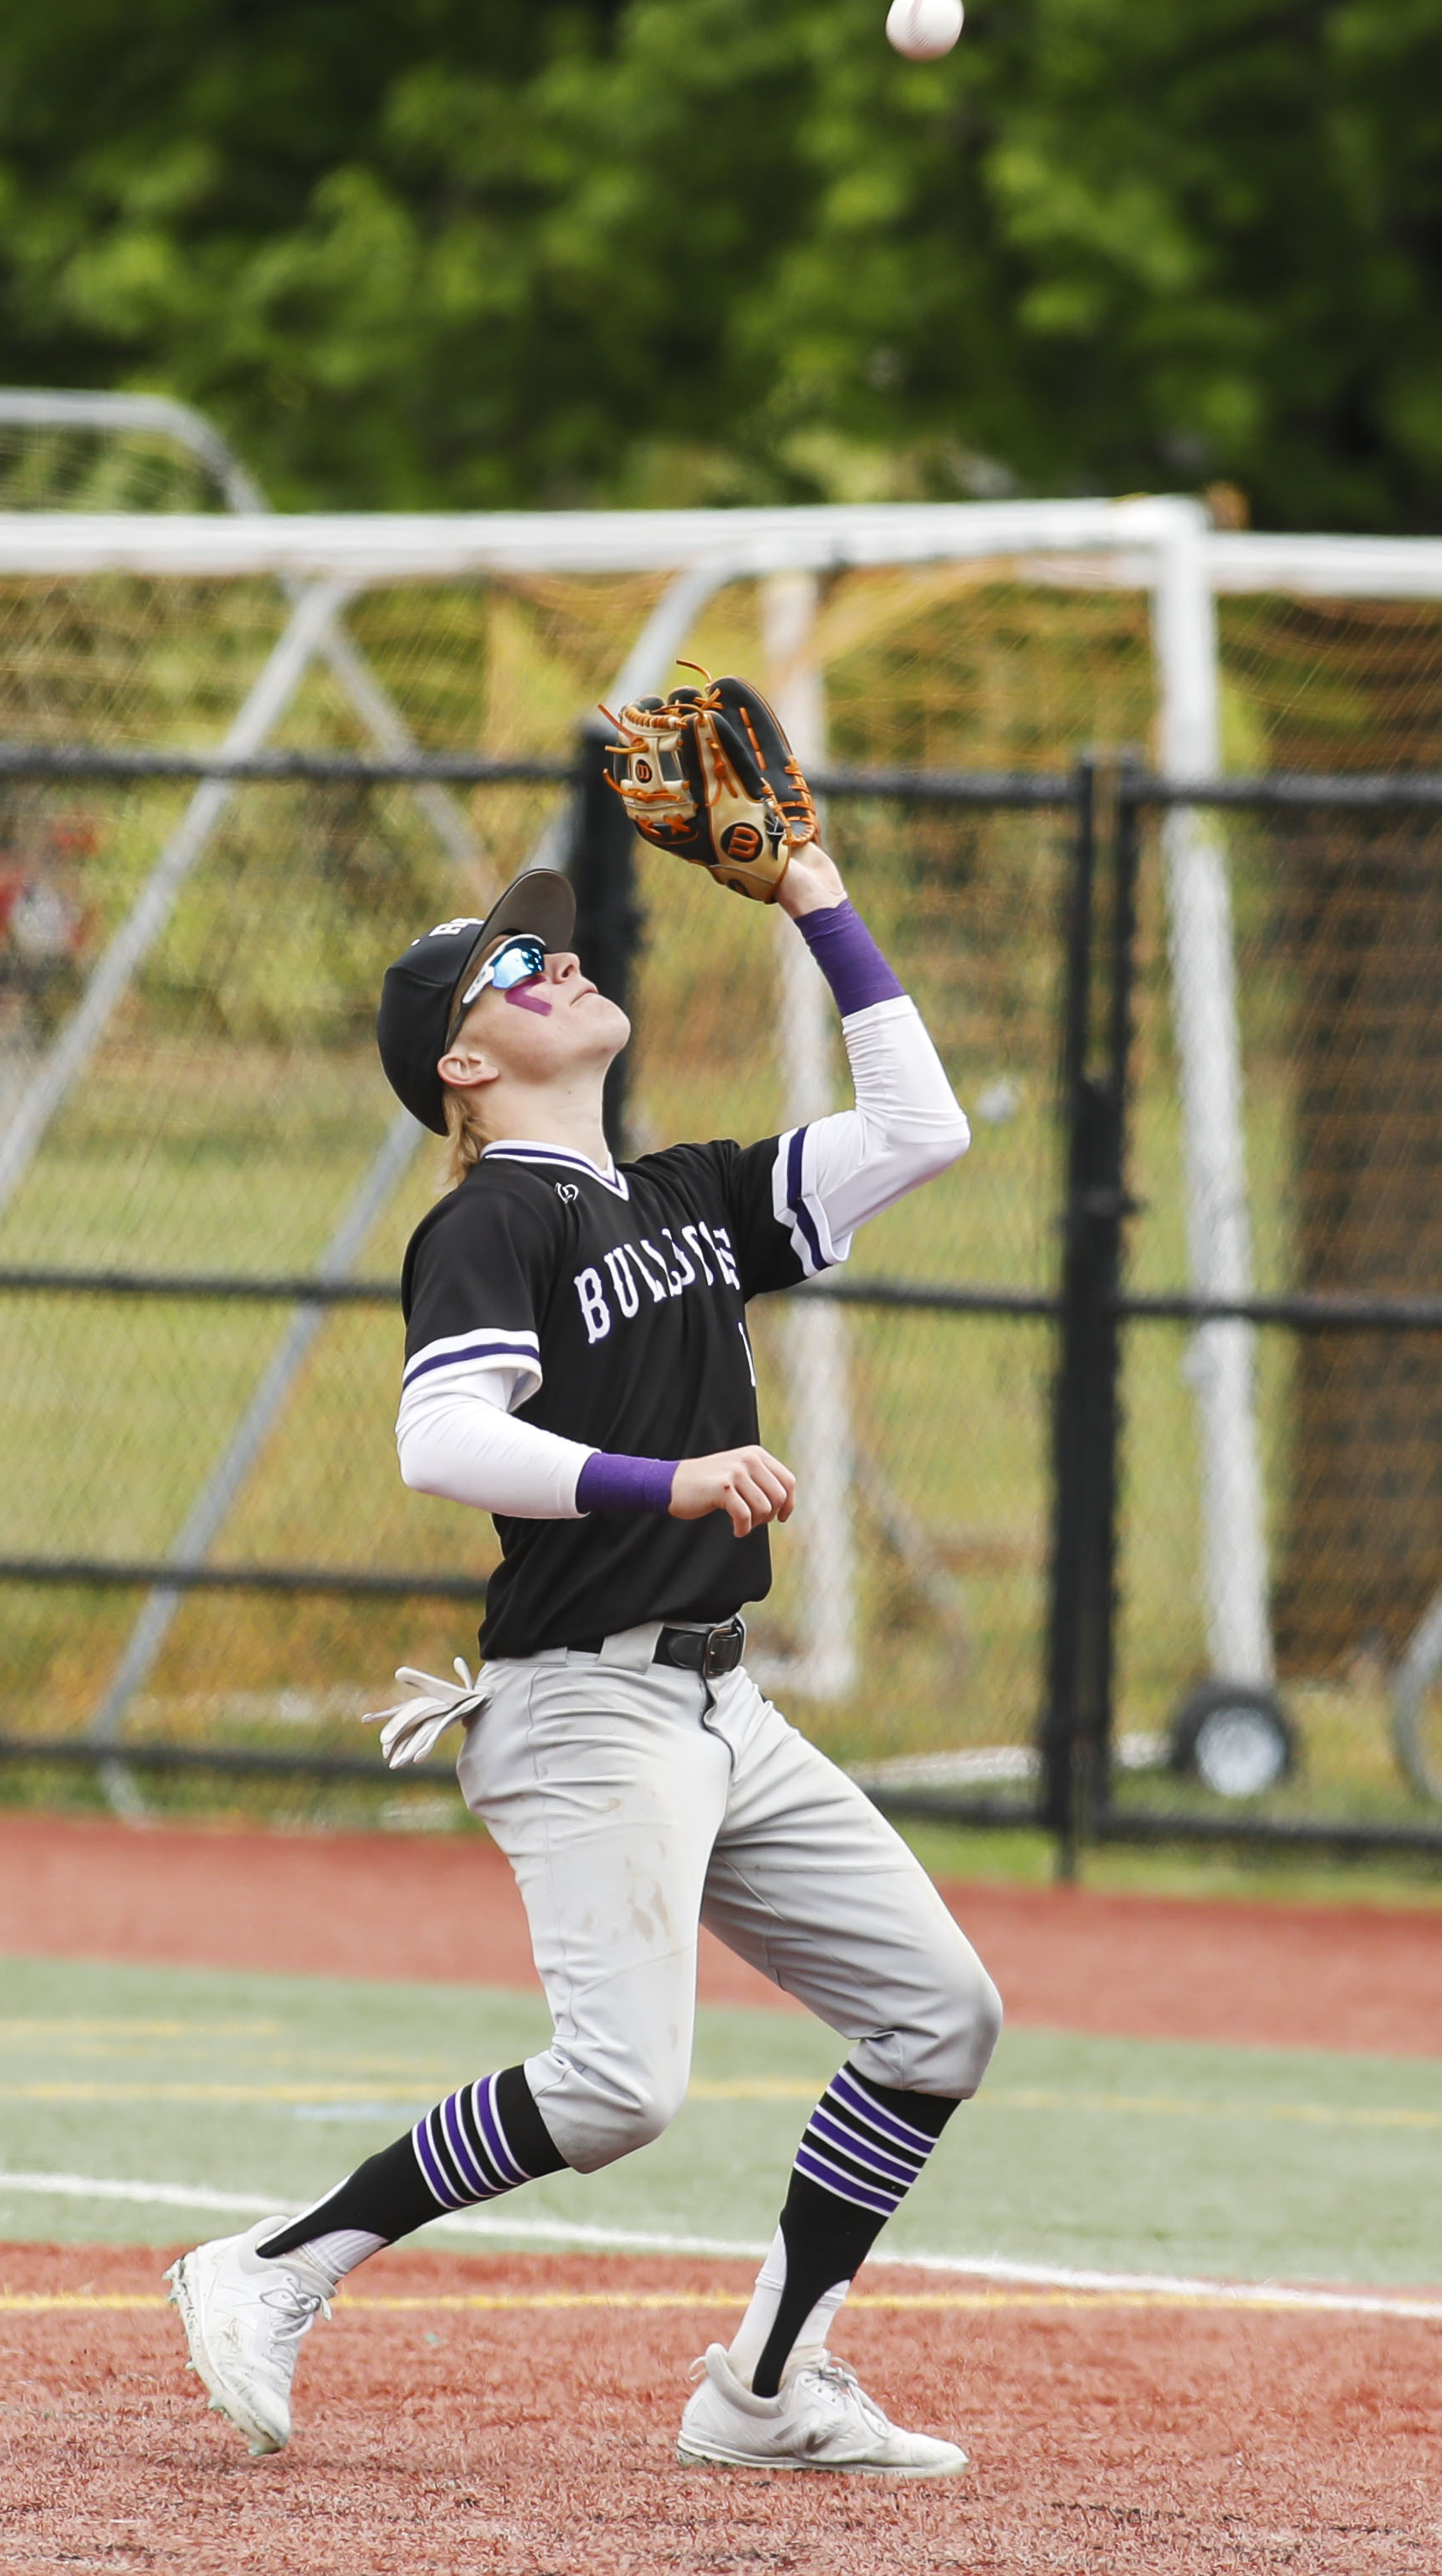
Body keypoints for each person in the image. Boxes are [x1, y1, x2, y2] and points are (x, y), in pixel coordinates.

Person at [168, 808, 1003, 2478]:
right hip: (581, 1705)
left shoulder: (686, 1193)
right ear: (463, 1066)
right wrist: (663, 1476)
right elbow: (443, 1441)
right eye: (509, 965)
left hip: (720, 1705)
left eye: (550, 942)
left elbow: (925, 1127)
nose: (553, 959)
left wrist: (813, 893)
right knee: (620, 2090)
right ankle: (272, 2265)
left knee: (940, 2015)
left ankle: (763, 2388)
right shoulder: (492, 1221)